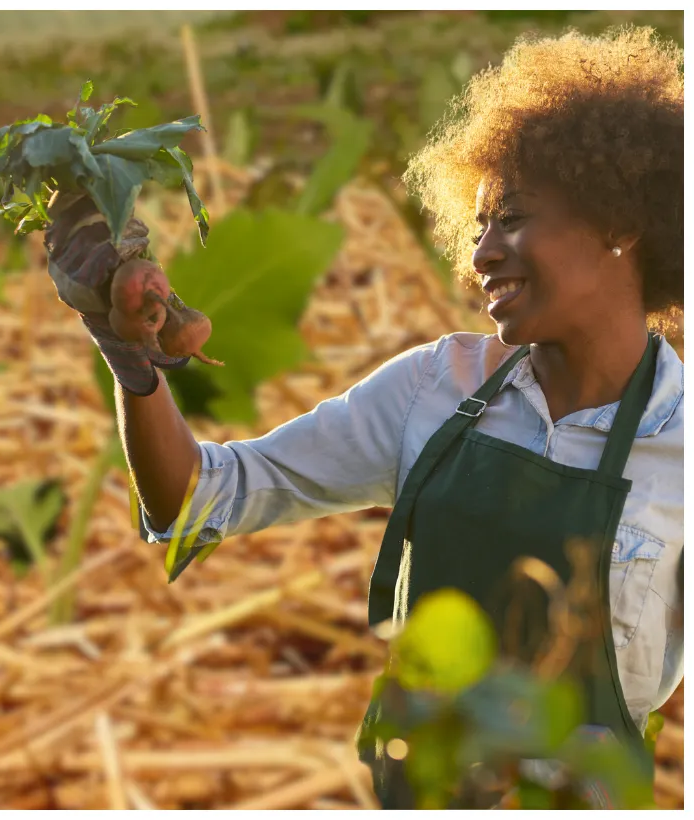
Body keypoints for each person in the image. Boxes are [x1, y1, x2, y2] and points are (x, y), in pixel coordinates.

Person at [43, 25, 682, 809]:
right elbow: (198, 499)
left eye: (511, 217)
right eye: (477, 226)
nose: (481, 252)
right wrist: (127, 357)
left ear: (621, 221)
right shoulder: (435, 389)